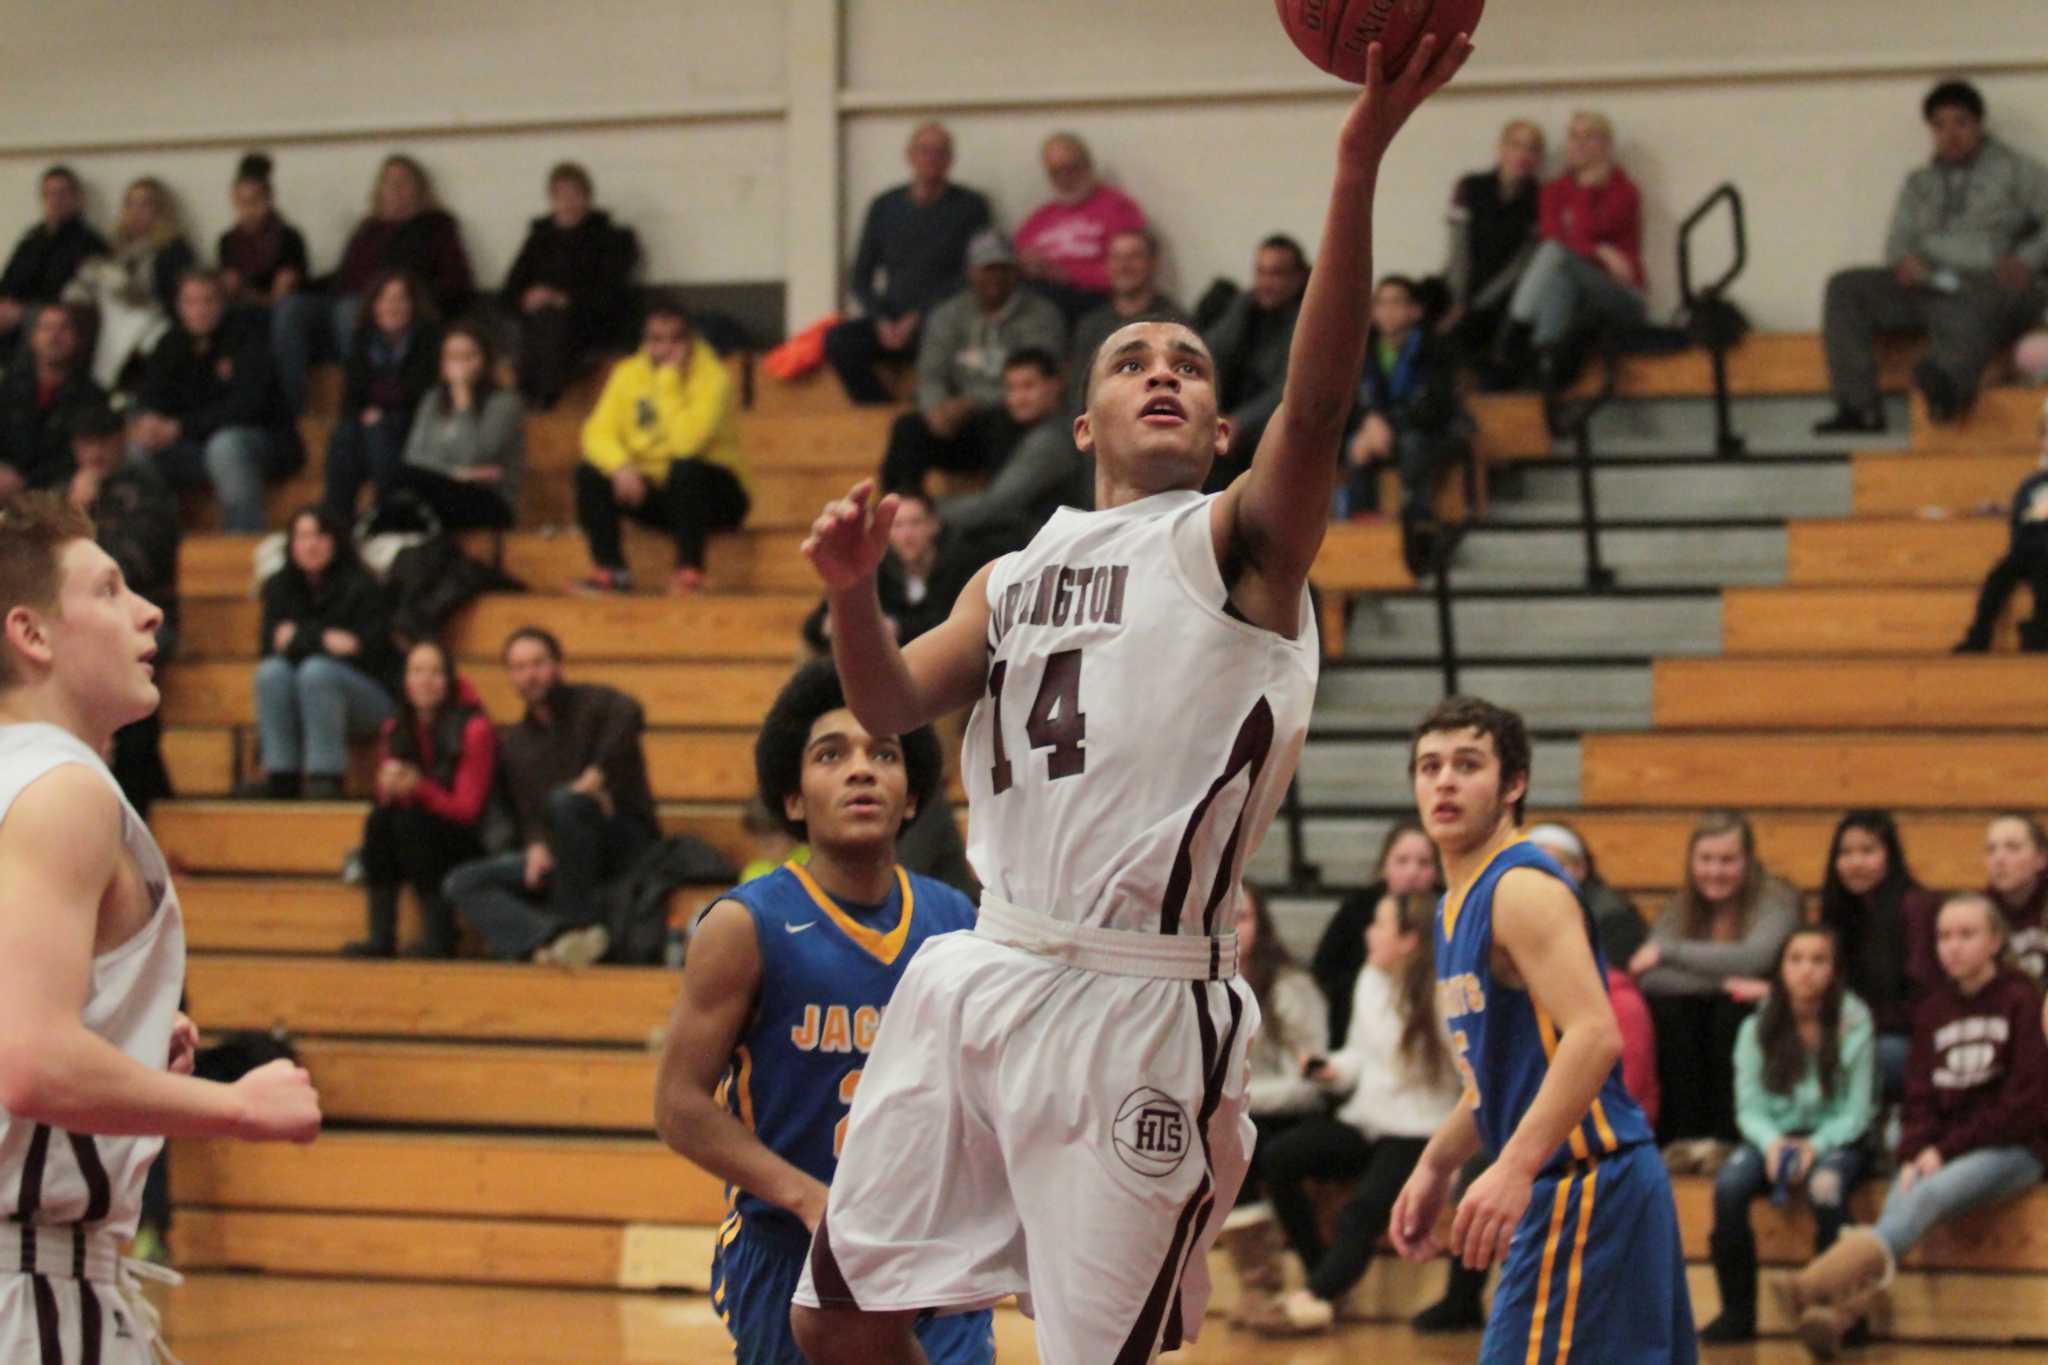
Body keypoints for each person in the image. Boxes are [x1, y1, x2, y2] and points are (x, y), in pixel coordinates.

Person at [787, 37, 1474, 1365]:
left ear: (1222, 433)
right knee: (836, 1314)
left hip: (1138, 1007)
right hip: (985, 968)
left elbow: (1322, 403)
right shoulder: (1011, 572)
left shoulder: (1237, 546)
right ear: (1085, 423)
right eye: (1133, 360)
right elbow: (884, 703)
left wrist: (1358, 157)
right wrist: (855, 594)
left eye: (1193, 366)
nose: (1164, 369)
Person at [0, 492, 321, 1364]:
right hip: (29, 1286)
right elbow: (30, 1062)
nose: (148, 611)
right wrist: (236, 1106)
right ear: (31, 634)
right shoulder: (61, 789)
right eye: (108, 590)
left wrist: (118, 1032)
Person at [653, 661, 993, 1365]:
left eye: (884, 754)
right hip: (791, 1251)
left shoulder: (955, 920)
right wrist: (809, 1199)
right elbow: (679, 1104)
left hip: (926, 1250)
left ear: (911, 798)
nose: (861, 770)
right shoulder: (746, 925)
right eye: (831, 754)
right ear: (794, 799)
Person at [1390, 696, 1696, 1364]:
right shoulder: (1452, 905)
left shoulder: (1520, 888)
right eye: (1429, 765)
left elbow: (1595, 1036)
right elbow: (1503, 1077)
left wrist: (1513, 1164)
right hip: (1595, 1184)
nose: (1443, 780)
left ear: (1513, 784)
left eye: (1467, 764)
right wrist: (1438, 1161)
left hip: (1588, 1183)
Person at [1781, 894, 2048, 1358]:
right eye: (1944, 936)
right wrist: (1912, 1151)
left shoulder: (2021, 999)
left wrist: (1943, 1151)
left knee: (1923, 1194)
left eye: (1967, 934)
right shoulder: (1934, 1008)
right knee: (1907, 1193)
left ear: (1996, 941)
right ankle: (1841, 1315)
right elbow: (1919, 1097)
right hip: (1945, 1147)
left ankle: (1814, 1284)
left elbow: (2024, 1104)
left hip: (2016, 1148)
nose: (1953, 946)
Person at [1257, 890, 1458, 1336]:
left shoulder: (1447, 995)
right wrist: (1329, 1069)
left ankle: (1315, 1297)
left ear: (1408, 940)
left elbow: (1468, 1076)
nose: (1368, 933)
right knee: (1280, 1158)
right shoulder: (1370, 978)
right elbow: (1361, 1057)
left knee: (1362, 1212)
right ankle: (1320, 1276)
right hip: (1367, 1118)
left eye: (1380, 925)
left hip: (1421, 1129)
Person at [1816, 80, 2048, 434]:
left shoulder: (2018, 171)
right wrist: (1905, 264)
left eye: (1961, 122)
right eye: (1939, 125)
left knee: (1970, 302)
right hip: (1929, 284)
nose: (1950, 134)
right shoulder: (1919, 183)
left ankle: (1947, 388)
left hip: (1992, 283)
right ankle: (1858, 409)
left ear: (1979, 125)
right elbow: (1897, 243)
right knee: (1846, 288)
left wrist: (2028, 259)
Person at [1700, 927, 1877, 1344]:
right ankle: (1737, 1313)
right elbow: (1748, 1108)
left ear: (1835, 971)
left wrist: (1814, 1147)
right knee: (1728, 1187)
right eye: (1796, 960)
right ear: (1781, 970)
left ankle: (1839, 1314)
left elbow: (1857, 1110)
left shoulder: (1855, 1021)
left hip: (1837, 1137)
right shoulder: (1756, 1026)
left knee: (1825, 1188)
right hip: (1774, 1136)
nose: (1806, 971)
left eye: (1819, 961)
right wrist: (1774, 1144)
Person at [445, 627, 658, 966]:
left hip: (618, 835)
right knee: (463, 882)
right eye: (519, 668)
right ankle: (554, 935)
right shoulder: (514, 744)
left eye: (538, 664)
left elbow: (632, 713)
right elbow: (523, 813)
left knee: (567, 803)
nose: (530, 675)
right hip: (559, 850)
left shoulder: (595, 704)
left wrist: (599, 773)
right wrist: (535, 843)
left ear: (558, 665)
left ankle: (576, 924)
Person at [1630, 810, 1801, 1159]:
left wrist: (1670, 951)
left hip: (1766, 1013)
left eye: (1727, 860)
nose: (1715, 871)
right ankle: (1683, 1142)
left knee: (1729, 1012)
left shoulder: (1777, 901)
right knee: (1671, 1010)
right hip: (1701, 1015)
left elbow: (1755, 958)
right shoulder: (1680, 907)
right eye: (1706, 860)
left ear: (1749, 861)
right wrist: (1724, 979)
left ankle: (1728, 1140)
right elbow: (1650, 977)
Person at [573, 304, 747, 596]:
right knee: (590, 473)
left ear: (691, 339)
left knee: (686, 469)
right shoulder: (627, 374)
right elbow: (596, 433)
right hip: (655, 490)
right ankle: (612, 571)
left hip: (715, 496)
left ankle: (690, 571)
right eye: (656, 339)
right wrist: (620, 467)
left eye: (675, 339)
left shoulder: (713, 377)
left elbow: (687, 444)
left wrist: (669, 381)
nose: (665, 348)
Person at [1214, 883, 1328, 1329]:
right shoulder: (1202, 982)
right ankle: (1254, 1289)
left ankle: (1276, 1286)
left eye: (1242, 918)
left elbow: (1314, 1080)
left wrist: (1237, 1099)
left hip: (1291, 1110)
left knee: (1243, 1148)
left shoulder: (1290, 986)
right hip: (1236, 1110)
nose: (1234, 929)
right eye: (1225, 918)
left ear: (1262, 926)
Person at [876, 231, 1065, 498]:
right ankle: (902, 515)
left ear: (1015, 272)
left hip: (1012, 419)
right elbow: (930, 374)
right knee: (908, 428)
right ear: (970, 273)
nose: (995, 278)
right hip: (957, 422)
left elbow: (1039, 383)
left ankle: (998, 515)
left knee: (1005, 424)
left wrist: (974, 402)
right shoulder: (947, 315)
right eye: (986, 270)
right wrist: (936, 409)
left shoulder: (1041, 315)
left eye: (1003, 269)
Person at [342, 639, 495, 959]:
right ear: (405, 680)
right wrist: (389, 787)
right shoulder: (395, 726)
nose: (425, 681)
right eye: (417, 671)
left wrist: (419, 788)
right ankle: (380, 936)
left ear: (449, 680)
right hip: (417, 828)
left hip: (470, 838)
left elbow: (467, 810)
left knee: (412, 824)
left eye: (436, 672)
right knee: (380, 820)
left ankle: (441, 934)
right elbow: (388, 798)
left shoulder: (474, 728)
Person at [67, 403, 181, 819]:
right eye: (85, 444)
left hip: (142, 615)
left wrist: (81, 518)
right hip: (81, 622)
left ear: (120, 441)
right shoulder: (67, 491)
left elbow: (134, 567)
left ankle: (141, 804)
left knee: (114, 676)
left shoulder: (149, 490)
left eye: (102, 442)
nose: (94, 454)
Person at [826, 123, 993, 406]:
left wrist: (919, 316)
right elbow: (860, 275)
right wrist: (880, 319)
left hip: (945, 319)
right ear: (909, 156)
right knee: (839, 340)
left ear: (950, 159)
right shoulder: (884, 206)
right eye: (924, 150)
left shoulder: (971, 206)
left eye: (939, 152)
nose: (931, 158)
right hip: (890, 318)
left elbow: (975, 274)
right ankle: (877, 411)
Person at [131, 269, 300, 533]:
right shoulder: (169, 343)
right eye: (191, 302)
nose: (199, 310)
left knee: (225, 446)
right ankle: (157, 538)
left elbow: (248, 407)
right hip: (192, 447)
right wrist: (149, 422)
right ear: (179, 306)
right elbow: (152, 395)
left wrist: (180, 427)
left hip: (259, 442)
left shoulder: (247, 336)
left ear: (222, 303)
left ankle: (241, 543)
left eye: (207, 301)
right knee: (136, 450)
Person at [252, 505, 396, 800]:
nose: (310, 545)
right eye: (302, 537)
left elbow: (368, 653)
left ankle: (326, 778)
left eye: (319, 536)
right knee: (271, 673)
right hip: (305, 694)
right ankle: (281, 775)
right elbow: (271, 649)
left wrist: (299, 638)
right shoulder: (279, 586)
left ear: (335, 541)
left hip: (370, 697)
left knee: (316, 672)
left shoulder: (362, 585)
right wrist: (324, 640)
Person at [1339, 274, 1473, 574]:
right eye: (1381, 303)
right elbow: (1357, 399)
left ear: (1415, 310)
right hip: (1385, 434)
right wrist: (1369, 421)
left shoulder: (1436, 348)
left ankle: (1420, 530)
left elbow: (1434, 405)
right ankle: (1364, 530)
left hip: (1435, 431)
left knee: (1414, 444)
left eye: (1396, 302)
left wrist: (1383, 424)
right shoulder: (1365, 349)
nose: (1387, 310)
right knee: (1355, 448)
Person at [1504, 111, 1647, 388]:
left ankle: (1515, 334)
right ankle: (1544, 368)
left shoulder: (1624, 189)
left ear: (1606, 145)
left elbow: (1584, 231)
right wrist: (1600, 252)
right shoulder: (1553, 190)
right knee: (1560, 273)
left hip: (1622, 295)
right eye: (1574, 136)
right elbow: (1552, 234)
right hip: (1578, 290)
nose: (1580, 143)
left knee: (1557, 256)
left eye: (1590, 136)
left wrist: (1586, 192)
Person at [1816, 810, 1942, 1096]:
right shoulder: (1839, 915)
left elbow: (1926, 1000)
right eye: (1845, 853)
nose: (1855, 862)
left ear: (1890, 856)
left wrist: (1862, 1022)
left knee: (1876, 1056)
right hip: (1856, 1030)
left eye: (1867, 851)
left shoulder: (1915, 907)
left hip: (1907, 1038)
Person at [500, 161, 639, 410]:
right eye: (560, 195)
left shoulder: (610, 238)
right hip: (539, 323)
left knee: (551, 320)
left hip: (588, 319)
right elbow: (510, 289)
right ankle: (538, 393)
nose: (568, 201)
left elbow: (611, 290)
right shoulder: (538, 240)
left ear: (588, 197)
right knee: (541, 321)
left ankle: (539, 394)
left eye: (574, 194)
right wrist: (528, 298)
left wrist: (564, 299)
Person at [931, 348, 1086, 557]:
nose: (1017, 398)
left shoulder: (1052, 439)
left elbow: (995, 505)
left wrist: (930, 512)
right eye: (1011, 388)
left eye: (1028, 386)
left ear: (1055, 385)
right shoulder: (1022, 430)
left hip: (1057, 550)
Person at [1309, 818, 1441, 1047]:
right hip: (1358, 1022)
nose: (1412, 872)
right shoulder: (1357, 909)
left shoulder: (1448, 910)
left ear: (1437, 872)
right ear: (1383, 867)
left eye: (1424, 863)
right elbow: (1323, 971)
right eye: (1402, 861)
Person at [321, 270, 441, 520]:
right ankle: (336, 521)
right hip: (367, 429)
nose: (392, 306)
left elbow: (420, 393)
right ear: (374, 305)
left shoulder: (428, 338)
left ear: (413, 305)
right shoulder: (362, 339)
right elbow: (350, 399)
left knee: (378, 431)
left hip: (416, 425)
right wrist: (376, 408)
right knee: (344, 435)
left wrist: (380, 407)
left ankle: (387, 514)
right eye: (385, 299)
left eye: (400, 299)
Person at [326, 155, 473, 355]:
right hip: (355, 299)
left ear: (418, 189)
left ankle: (362, 379)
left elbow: (457, 279)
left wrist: (413, 299)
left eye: (403, 181)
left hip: (404, 304)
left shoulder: (436, 226)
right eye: (388, 181)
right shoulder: (368, 229)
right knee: (295, 308)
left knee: (349, 311)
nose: (395, 187)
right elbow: (342, 274)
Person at [61, 177, 196, 390]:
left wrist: (128, 289)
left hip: (152, 320)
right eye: (131, 204)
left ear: (160, 210)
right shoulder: (116, 249)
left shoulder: (174, 250)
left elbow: (175, 299)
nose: (136, 212)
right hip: (111, 318)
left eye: (145, 204)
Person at [388, 321, 526, 530]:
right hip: (440, 491)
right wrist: (456, 473)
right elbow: (414, 457)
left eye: (468, 356)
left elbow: (474, 456)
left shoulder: (505, 403)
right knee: (398, 482)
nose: (459, 365)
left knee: (410, 505)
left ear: (485, 360)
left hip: (489, 499)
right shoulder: (432, 400)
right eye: (452, 357)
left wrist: (463, 397)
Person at [800, 491, 965, 656]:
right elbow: (813, 627)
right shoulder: (878, 566)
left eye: (915, 523)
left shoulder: (956, 563)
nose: (907, 535)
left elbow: (954, 626)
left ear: (934, 525)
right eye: (897, 525)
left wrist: (895, 627)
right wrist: (831, 624)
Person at [1443, 120, 1545, 383]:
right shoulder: (1469, 186)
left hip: (1504, 295)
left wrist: (1478, 303)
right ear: (1501, 148)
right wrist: (1458, 298)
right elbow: (1458, 247)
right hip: (1461, 285)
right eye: (1517, 145)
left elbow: (1523, 261)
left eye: (1532, 149)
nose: (1523, 154)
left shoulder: (1542, 198)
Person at [216, 153, 317, 417]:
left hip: (277, 315)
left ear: (268, 200)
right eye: (242, 203)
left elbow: (280, 297)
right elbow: (228, 289)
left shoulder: (287, 238)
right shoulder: (228, 241)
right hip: (242, 313)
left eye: (256, 202)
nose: (249, 210)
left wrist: (248, 293)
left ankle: (288, 403)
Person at [1204, 234, 1310, 482]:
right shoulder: (1245, 306)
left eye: (1276, 273)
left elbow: (1290, 388)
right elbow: (1208, 356)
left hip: (1274, 427)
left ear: (1298, 277)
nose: (1265, 282)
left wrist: (1239, 423)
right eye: (1260, 272)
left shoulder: (1309, 320)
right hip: (1230, 421)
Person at [1014, 132, 1149, 325]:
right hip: (1041, 303)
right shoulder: (1039, 218)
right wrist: (1026, 266)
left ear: (1088, 165)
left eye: (1071, 168)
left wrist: (1066, 275)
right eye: (1056, 172)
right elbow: (1015, 260)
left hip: (1095, 302)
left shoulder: (1118, 208)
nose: (1065, 178)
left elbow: (1131, 271)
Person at [1953, 397, 2048, 652]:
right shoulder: (2032, 484)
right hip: (2026, 550)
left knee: (2044, 581)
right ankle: (1979, 635)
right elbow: (2018, 523)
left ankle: (2041, 633)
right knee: (1997, 580)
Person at [1066, 229, 1189, 416]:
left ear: (1153, 263)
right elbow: (1077, 393)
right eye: (1116, 257)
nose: (1124, 266)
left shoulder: (1175, 323)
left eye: (1134, 257)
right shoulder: (1090, 324)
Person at [0, 166, 108, 353]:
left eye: (62, 193)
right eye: (49, 194)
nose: (55, 200)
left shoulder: (90, 244)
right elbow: (9, 279)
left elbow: (77, 297)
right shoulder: (32, 238)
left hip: (53, 323)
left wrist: (23, 312)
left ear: (77, 198)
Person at [0, 303, 105, 496]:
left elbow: (82, 455)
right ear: (32, 337)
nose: (54, 336)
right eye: (46, 328)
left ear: (77, 338)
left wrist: (26, 483)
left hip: (56, 490)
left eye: (63, 328)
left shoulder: (92, 396)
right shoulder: (8, 386)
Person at [1982, 811, 2048, 983]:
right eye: (1991, 849)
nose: (1999, 859)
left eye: (2013, 847)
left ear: (2041, 858)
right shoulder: (1979, 912)